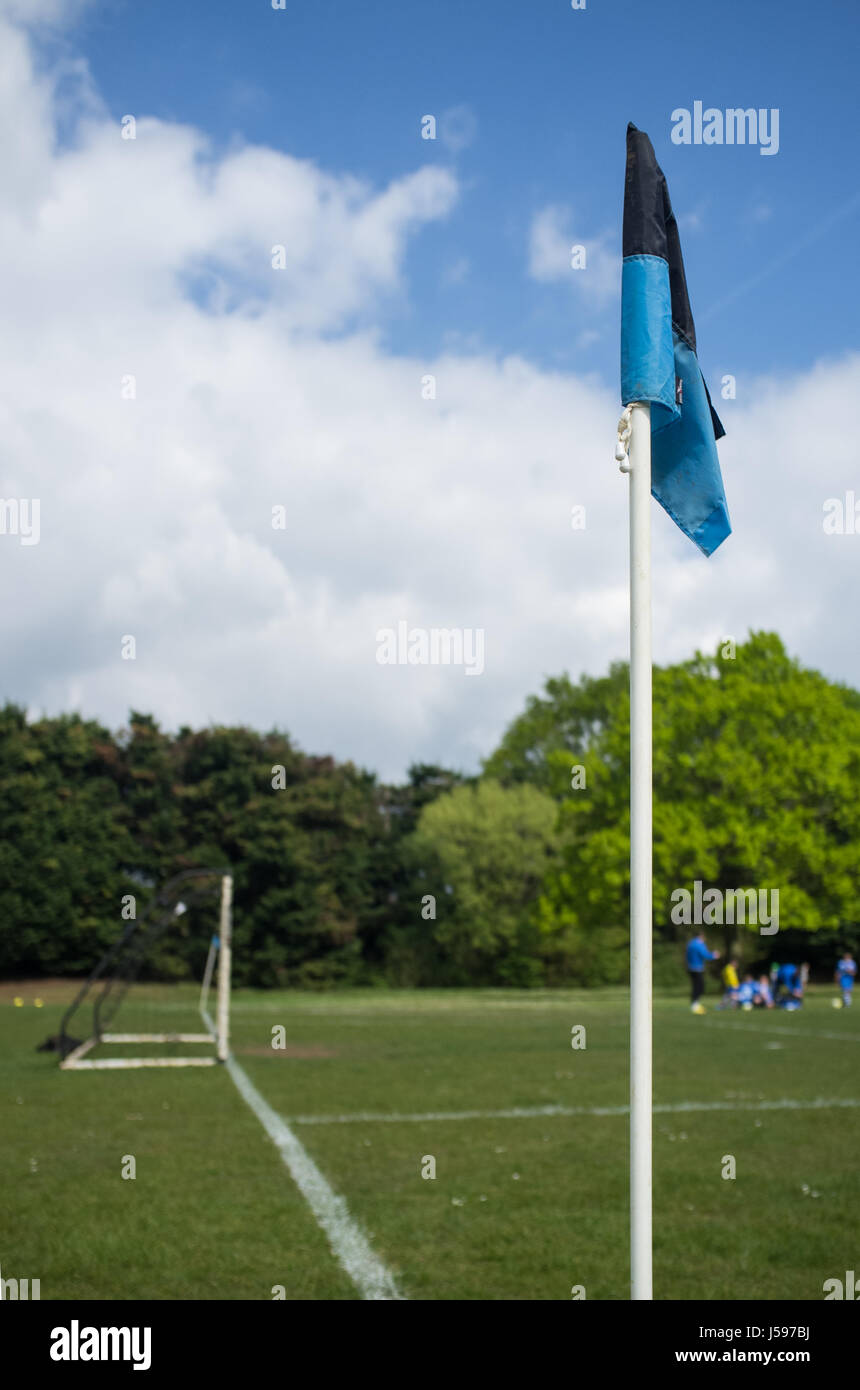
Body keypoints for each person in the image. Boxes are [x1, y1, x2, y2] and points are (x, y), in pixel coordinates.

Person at [686, 931, 720, 1013]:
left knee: (696, 986)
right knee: (700, 987)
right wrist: (714, 955)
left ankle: (694, 1004)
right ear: (701, 936)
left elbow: (687, 955)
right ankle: (695, 1004)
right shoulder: (699, 944)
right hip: (697, 968)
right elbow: (705, 954)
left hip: (690, 967)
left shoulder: (690, 943)